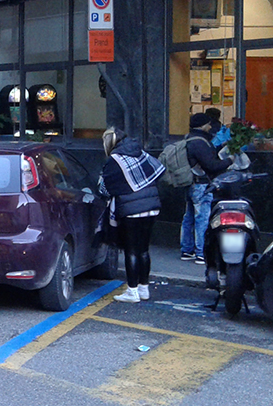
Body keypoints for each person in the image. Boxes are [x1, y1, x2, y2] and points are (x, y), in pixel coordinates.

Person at [98, 127, 165, 303]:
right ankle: (144, 289)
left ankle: (132, 291)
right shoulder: (140, 153)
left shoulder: (114, 160)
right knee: (144, 249)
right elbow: (159, 169)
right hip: (152, 207)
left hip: (130, 210)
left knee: (131, 251)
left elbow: (104, 189)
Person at [180, 111, 233, 264]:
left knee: (189, 217)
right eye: (208, 124)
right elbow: (211, 165)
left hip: (191, 183)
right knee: (202, 218)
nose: (210, 126)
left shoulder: (190, 138)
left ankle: (186, 250)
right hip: (201, 185)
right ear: (202, 125)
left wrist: (220, 146)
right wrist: (230, 160)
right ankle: (201, 252)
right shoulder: (199, 142)